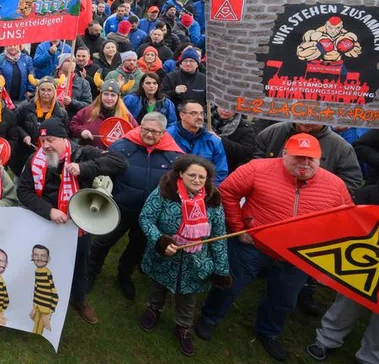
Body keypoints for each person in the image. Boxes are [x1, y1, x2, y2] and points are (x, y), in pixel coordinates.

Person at [195, 134, 353, 361]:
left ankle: (268, 332)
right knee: (229, 284)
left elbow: (344, 218)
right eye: (299, 157)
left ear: (320, 159)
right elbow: (227, 192)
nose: (305, 163)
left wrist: (321, 247)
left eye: (311, 159)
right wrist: (240, 226)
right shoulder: (257, 169)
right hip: (254, 246)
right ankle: (209, 317)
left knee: (284, 299)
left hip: (297, 256)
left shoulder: (336, 186)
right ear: (284, 154)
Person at [17, 118, 128, 324]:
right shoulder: (34, 159)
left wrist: (85, 168)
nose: (46, 145)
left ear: (63, 138)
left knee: (79, 262)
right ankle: (36, 295)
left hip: (79, 224)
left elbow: (120, 163)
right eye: (42, 141)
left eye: (50, 140)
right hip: (46, 220)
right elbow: (24, 191)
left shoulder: (82, 153)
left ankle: (79, 299)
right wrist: (49, 211)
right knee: (42, 259)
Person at [138, 155, 230, 356]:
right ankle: (153, 309)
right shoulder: (165, 191)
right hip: (164, 255)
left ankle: (183, 327)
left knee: (188, 297)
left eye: (202, 177)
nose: (197, 181)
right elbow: (146, 218)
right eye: (192, 175)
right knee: (158, 286)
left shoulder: (213, 199)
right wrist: (161, 241)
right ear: (181, 173)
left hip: (195, 261)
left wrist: (222, 270)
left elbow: (219, 235)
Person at [87, 112, 185, 300]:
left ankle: (124, 275)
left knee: (136, 248)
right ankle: (91, 272)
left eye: (154, 132)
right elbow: (105, 174)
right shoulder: (122, 147)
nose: (149, 135)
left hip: (148, 216)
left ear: (163, 133)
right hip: (119, 208)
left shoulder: (174, 157)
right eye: (145, 129)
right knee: (102, 242)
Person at [305, 172, 379, 364]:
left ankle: (373, 356)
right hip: (368, 255)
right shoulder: (376, 192)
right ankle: (327, 338)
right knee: (351, 297)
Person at [254, 121, 363, 191]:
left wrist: (320, 195)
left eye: (314, 115)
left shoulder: (341, 147)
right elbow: (255, 164)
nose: (306, 120)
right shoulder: (272, 133)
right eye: (301, 111)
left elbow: (351, 181)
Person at [166, 101, 229, 185]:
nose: (199, 117)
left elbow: (220, 171)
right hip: (172, 189)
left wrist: (208, 191)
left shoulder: (212, 140)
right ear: (182, 115)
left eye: (201, 114)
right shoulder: (167, 136)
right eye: (194, 113)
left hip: (202, 192)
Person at [69, 80, 136, 149]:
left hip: (114, 157)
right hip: (90, 155)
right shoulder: (88, 111)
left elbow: (136, 133)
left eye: (113, 95)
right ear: (100, 95)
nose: (109, 98)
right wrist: (82, 131)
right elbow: (73, 124)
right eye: (106, 94)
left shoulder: (126, 115)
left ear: (118, 97)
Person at [211, 107, 256, 172]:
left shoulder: (245, 128)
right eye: (223, 106)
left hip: (227, 171)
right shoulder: (202, 119)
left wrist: (221, 141)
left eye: (232, 108)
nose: (226, 110)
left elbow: (247, 152)